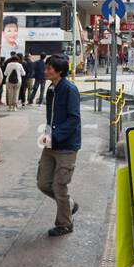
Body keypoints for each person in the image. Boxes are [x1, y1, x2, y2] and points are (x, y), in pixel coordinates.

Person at [38, 54, 81, 237]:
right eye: (46, 67)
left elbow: (74, 120)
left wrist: (54, 136)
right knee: (43, 183)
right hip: (51, 144)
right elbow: (51, 118)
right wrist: (47, 136)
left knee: (59, 185)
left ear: (60, 71)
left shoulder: (69, 90)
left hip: (67, 147)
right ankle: (69, 204)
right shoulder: (51, 90)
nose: (46, 71)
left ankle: (65, 224)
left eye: (49, 68)